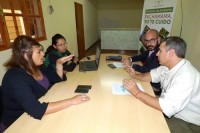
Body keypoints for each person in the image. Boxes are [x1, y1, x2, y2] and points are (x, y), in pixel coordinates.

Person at [0, 35, 90, 132]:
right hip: (18, 124)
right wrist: (71, 101)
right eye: (39, 51)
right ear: (26, 55)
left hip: (37, 114)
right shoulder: (15, 78)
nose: (43, 54)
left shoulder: (37, 67)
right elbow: (37, 110)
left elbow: (57, 79)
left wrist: (59, 65)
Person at [123, 36, 200, 133]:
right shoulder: (166, 66)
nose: (157, 54)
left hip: (187, 122)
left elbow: (165, 107)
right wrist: (134, 75)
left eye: (160, 51)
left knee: (146, 125)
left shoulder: (186, 76)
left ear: (171, 53)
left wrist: (136, 92)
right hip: (171, 109)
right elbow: (149, 76)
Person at [122, 29, 161, 94]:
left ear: (159, 39)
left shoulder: (160, 53)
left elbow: (147, 70)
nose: (149, 44)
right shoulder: (151, 48)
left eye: (152, 40)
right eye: (147, 41)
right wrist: (130, 59)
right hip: (144, 77)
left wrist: (131, 65)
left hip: (153, 85)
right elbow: (141, 56)